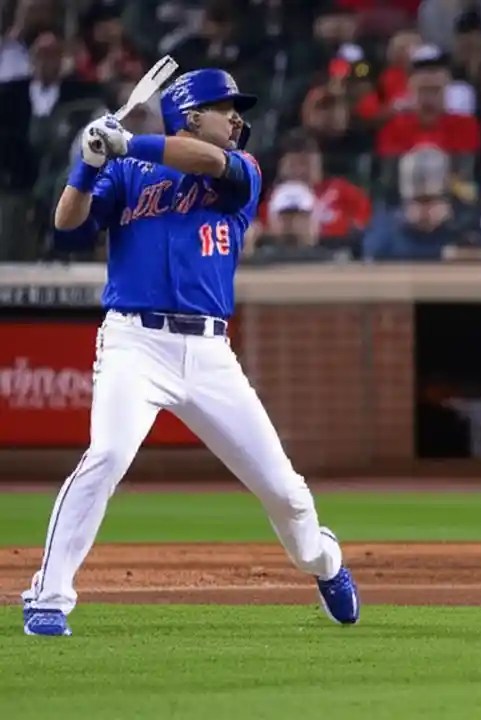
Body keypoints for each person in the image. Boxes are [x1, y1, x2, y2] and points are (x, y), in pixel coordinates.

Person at [23, 69, 360, 637]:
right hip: (134, 341)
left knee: (284, 491)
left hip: (209, 353)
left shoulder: (242, 170)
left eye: (235, 107)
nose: (235, 116)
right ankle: (48, 596)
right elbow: (67, 223)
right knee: (105, 455)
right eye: (221, 105)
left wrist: (128, 140)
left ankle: (324, 562)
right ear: (189, 114)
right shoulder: (128, 171)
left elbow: (204, 162)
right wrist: (87, 160)